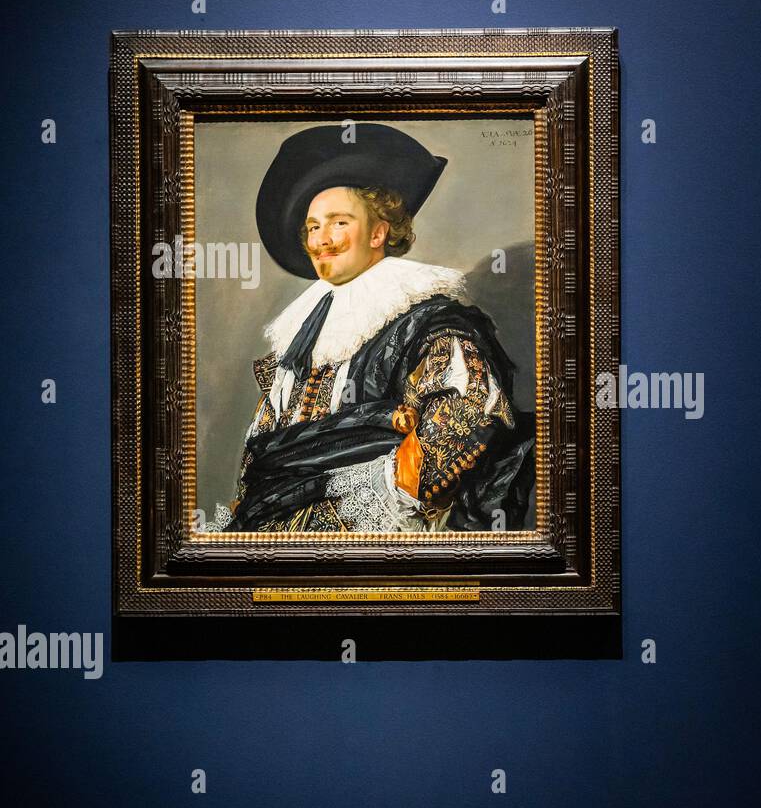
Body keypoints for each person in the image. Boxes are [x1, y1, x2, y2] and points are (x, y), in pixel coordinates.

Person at [208, 123, 534, 533]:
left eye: (339, 222)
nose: (321, 239)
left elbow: (469, 413)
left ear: (379, 232)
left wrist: (364, 497)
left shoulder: (429, 320)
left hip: (376, 537)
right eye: (312, 226)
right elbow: (265, 443)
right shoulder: (300, 334)